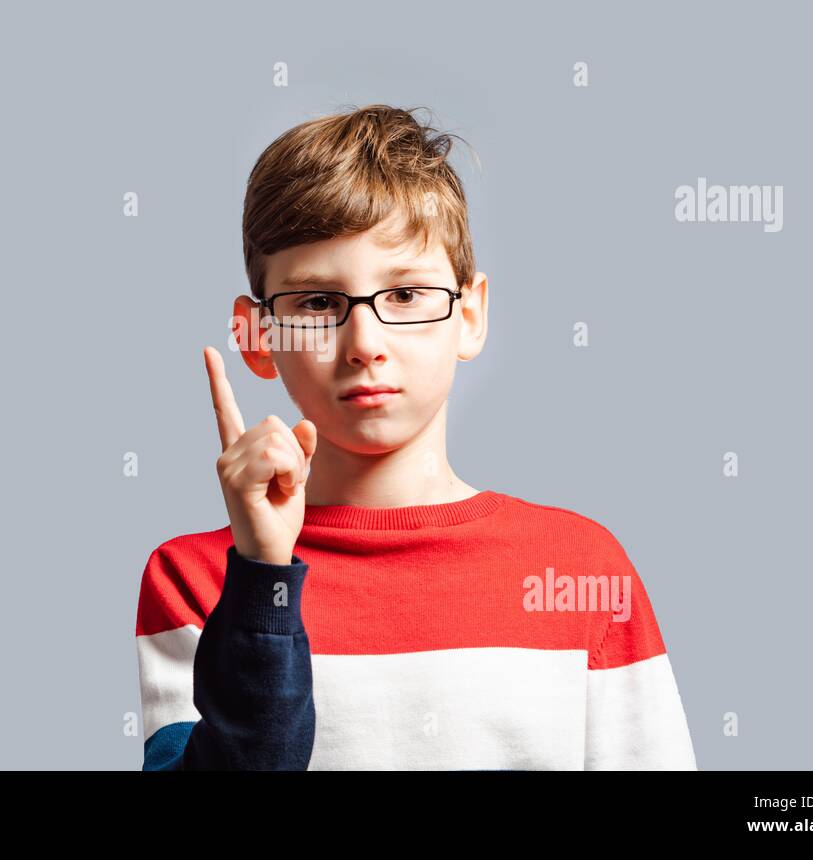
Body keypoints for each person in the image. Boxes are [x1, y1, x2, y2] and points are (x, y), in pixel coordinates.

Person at [135, 104, 697, 770]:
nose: (365, 344)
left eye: (404, 295)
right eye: (317, 303)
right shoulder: (198, 579)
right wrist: (264, 578)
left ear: (471, 314)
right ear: (259, 335)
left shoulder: (580, 569)